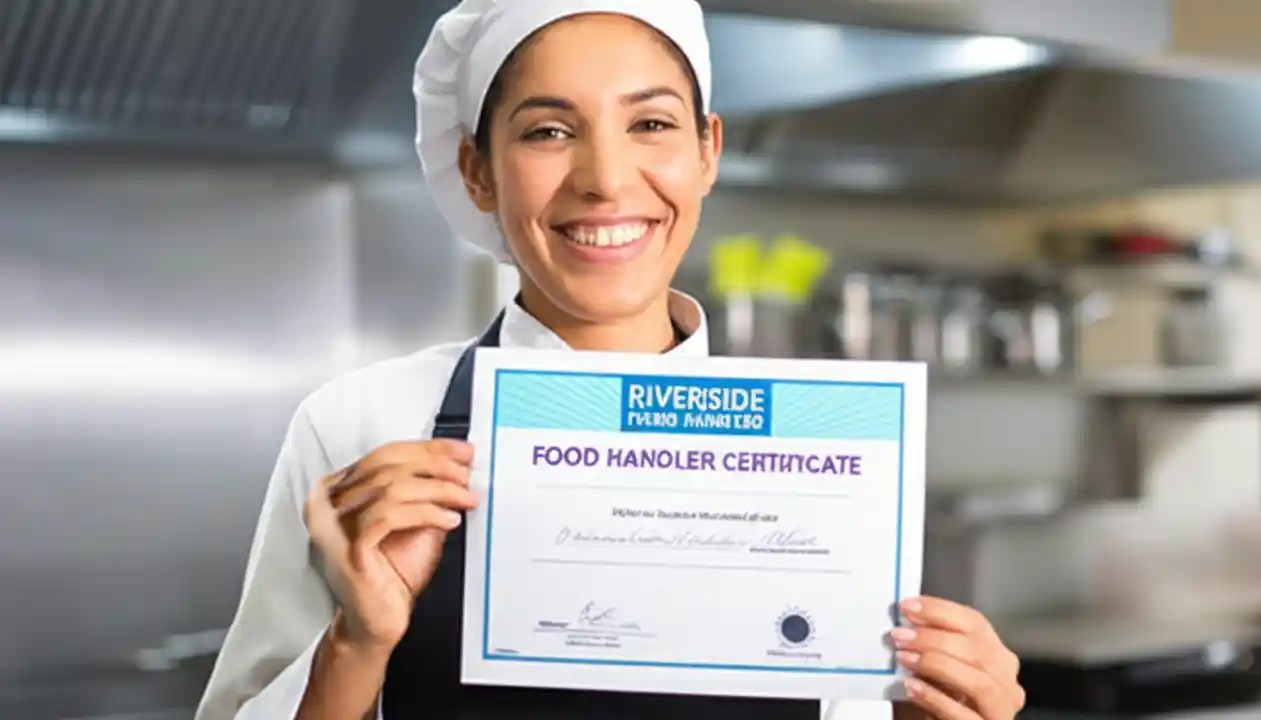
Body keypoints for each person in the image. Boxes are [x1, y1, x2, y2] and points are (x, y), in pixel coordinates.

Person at [196, 1, 1026, 718]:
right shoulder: (362, 426)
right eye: (549, 131)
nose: (605, 179)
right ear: (477, 170)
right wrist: (357, 641)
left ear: (707, 150)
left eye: (652, 124)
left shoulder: (822, 458)